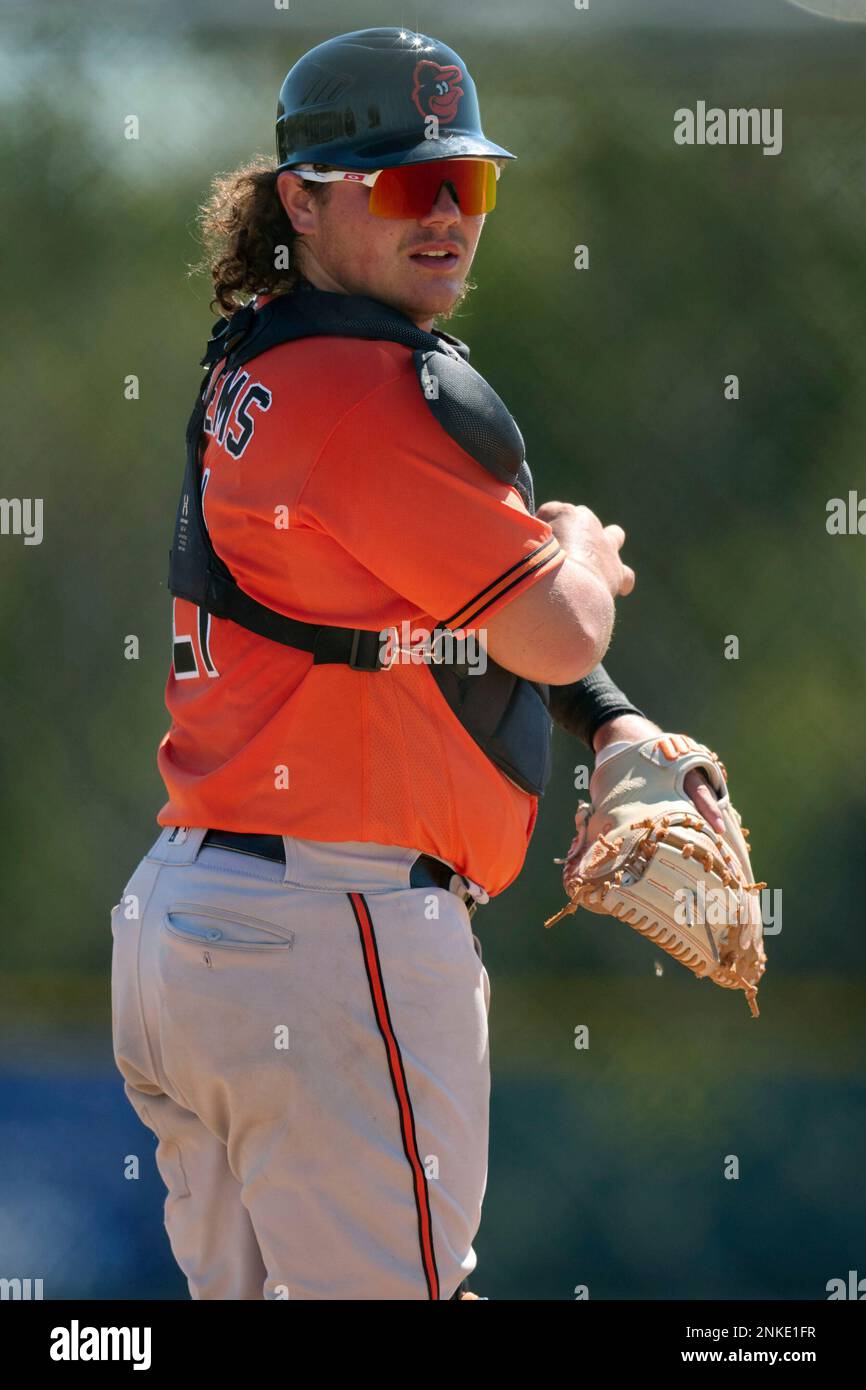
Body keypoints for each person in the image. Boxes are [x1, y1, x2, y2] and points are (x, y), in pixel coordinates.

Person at [110, 26, 723, 1301]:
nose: (445, 211)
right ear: (304, 198)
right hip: (334, 928)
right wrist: (573, 550)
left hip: (196, 926)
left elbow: (416, 620)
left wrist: (604, 722)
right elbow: (550, 625)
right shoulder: (363, 388)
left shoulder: (275, 353)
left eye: (468, 180)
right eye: (400, 181)